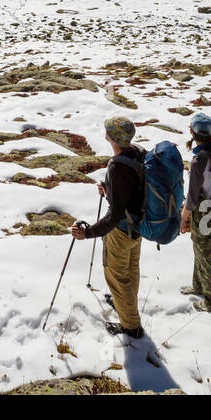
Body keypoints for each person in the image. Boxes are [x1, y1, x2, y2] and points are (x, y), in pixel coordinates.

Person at [69, 116, 145, 339]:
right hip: (139, 224)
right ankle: (126, 304)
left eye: (108, 130)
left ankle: (131, 327)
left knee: (116, 274)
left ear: (113, 137)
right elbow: (133, 189)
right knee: (131, 270)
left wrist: (88, 233)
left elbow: (115, 214)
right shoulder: (139, 152)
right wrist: (110, 190)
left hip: (121, 230)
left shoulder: (117, 166)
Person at [180, 112, 211, 311]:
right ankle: (199, 286)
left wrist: (184, 217)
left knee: (205, 251)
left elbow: (191, 196)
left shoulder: (199, 160)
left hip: (204, 210)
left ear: (191, 131)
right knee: (202, 247)